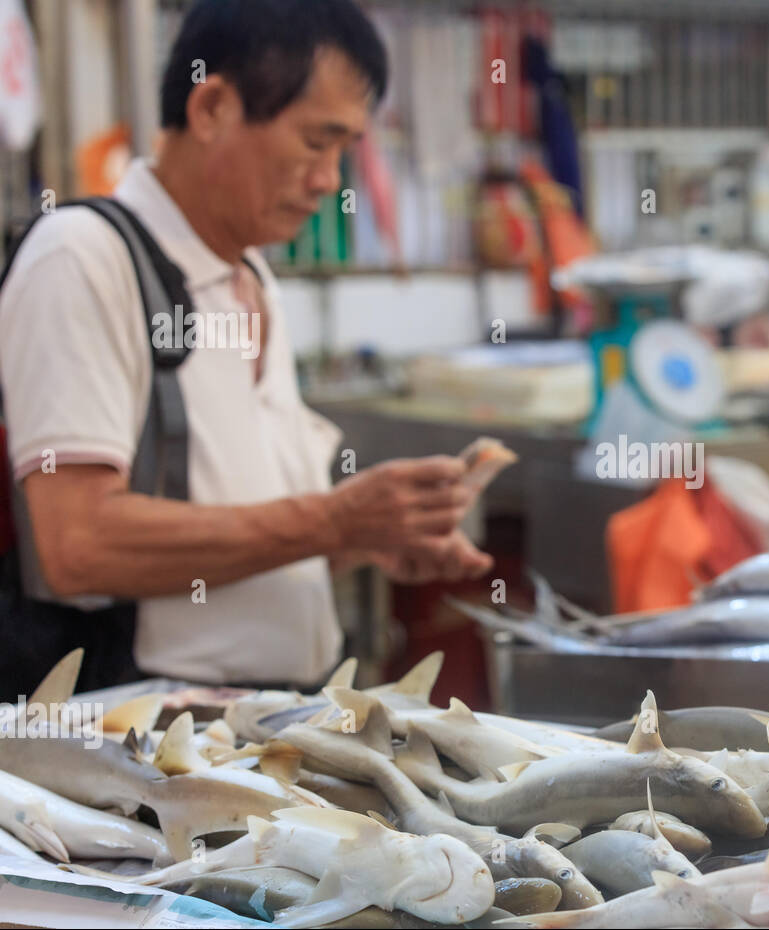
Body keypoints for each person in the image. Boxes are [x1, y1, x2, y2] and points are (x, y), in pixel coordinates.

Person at [0, 0, 491, 693]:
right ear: (212, 108)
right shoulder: (84, 258)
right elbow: (76, 545)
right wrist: (330, 519)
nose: (329, 180)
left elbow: (252, 530)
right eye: (316, 142)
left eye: (345, 150)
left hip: (264, 723)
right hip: (143, 744)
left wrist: (363, 539)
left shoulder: (250, 276)